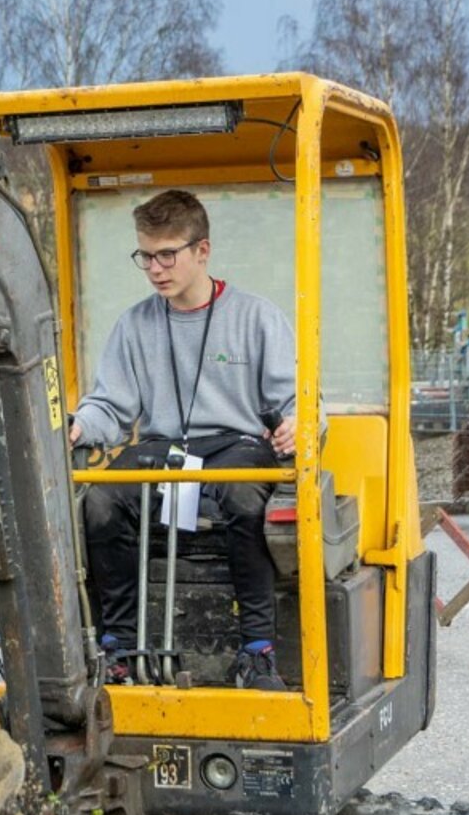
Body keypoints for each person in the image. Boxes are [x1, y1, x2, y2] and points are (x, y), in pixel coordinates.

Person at [68, 188, 299, 690]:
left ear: (202, 250)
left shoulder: (257, 318)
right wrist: (80, 425)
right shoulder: (134, 326)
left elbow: (298, 402)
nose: (155, 269)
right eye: (145, 256)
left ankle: (257, 650)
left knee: (242, 493)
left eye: (167, 255)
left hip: (235, 443)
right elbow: (110, 404)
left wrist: (299, 423)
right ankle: (119, 648)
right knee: (101, 500)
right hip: (163, 448)